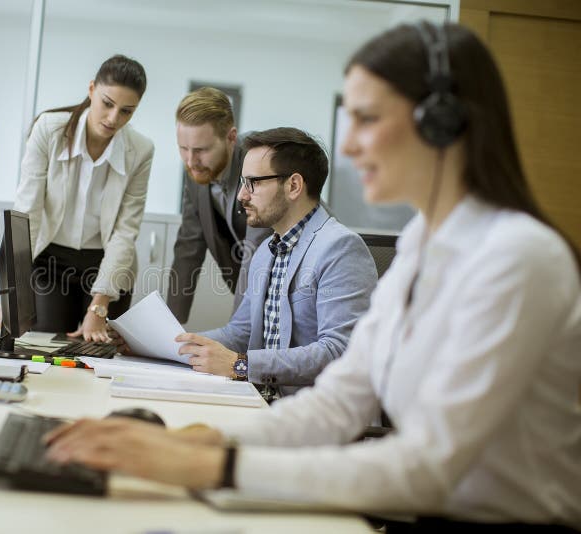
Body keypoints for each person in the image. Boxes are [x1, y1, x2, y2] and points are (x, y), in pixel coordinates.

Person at [44, 22, 581, 530]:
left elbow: (427, 466)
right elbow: (340, 399)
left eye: (367, 119)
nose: (347, 147)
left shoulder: (518, 256)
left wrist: (218, 466)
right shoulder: (423, 245)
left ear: (441, 123)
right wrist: (203, 443)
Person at [174, 127, 377, 395]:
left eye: (253, 183)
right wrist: (170, 345)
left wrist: (241, 365)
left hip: (312, 416)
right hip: (263, 402)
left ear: (293, 186)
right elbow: (240, 333)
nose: (241, 196)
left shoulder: (340, 248)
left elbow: (338, 351)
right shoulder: (267, 252)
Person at [0, 55, 154, 342]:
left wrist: (99, 305)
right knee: (44, 345)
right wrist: (11, 298)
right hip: (51, 258)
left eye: (127, 111)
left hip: (107, 263)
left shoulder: (140, 150)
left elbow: (124, 233)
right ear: (91, 90)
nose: (114, 119)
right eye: (107, 104)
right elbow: (27, 215)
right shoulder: (49, 130)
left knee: (99, 352)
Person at [167, 88, 272, 323]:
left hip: (297, 290)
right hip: (254, 297)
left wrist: (237, 330)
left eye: (201, 150)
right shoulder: (196, 171)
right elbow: (188, 247)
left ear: (231, 137)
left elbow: (255, 250)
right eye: (183, 149)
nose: (191, 161)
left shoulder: (259, 161)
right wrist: (169, 328)